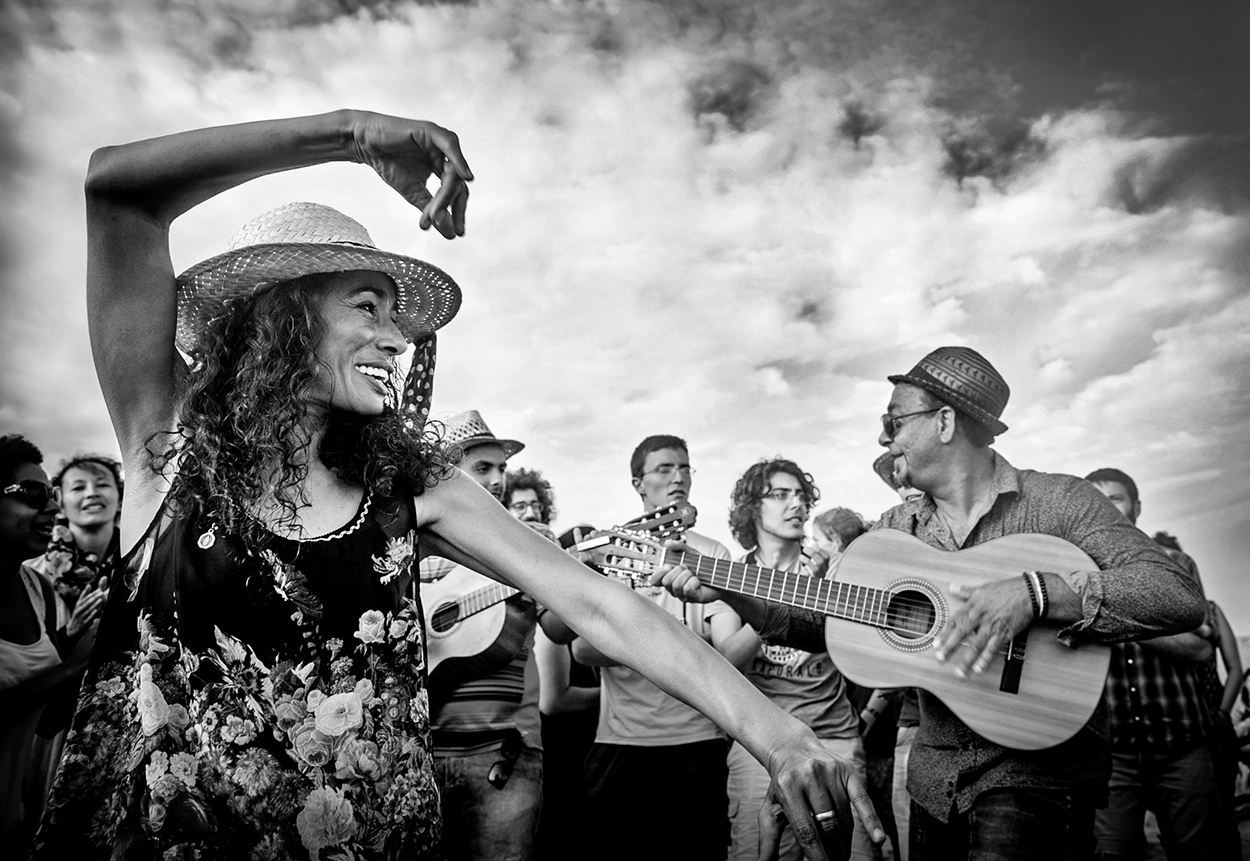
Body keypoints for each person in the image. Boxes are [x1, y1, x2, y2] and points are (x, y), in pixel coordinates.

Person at [33, 110, 876, 861]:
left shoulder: (408, 485)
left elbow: (599, 604)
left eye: (397, 315)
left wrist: (779, 732)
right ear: (281, 308)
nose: (395, 337)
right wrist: (352, 134)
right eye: (368, 305)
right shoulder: (163, 443)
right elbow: (118, 192)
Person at [654, 346, 1207, 860]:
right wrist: (730, 585)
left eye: (894, 422)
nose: (883, 440)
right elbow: (826, 623)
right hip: (935, 780)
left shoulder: (1058, 502)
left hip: (1038, 777)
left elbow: (1176, 595)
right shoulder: (896, 529)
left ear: (945, 421)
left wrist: (1039, 593)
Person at [570, 435, 738, 861]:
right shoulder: (611, 551)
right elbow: (582, 650)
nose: (678, 477)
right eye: (665, 469)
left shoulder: (714, 553)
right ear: (637, 483)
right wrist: (671, 648)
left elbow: (728, 652)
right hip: (620, 742)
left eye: (685, 468)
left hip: (698, 739)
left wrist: (636, 643)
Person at [717, 458, 874, 861]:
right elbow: (726, 659)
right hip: (761, 746)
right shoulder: (734, 574)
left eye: (801, 495)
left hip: (834, 739)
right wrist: (779, 608)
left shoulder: (836, 569)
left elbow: (862, 649)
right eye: (781, 494)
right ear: (753, 506)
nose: (796, 505)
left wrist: (817, 589)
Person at [1085, 467, 1233, 860]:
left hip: (1182, 742)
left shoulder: (1176, 564)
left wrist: (1114, 615)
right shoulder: (1076, 571)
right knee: (1113, 855)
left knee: (1201, 853)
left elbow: (1201, 648)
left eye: (1115, 498)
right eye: (1096, 499)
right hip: (1111, 753)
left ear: (1136, 506)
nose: (1107, 507)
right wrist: (1155, 619)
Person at [419, 410, 545, 861]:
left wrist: (578, 582)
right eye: (483, 468)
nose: (497, 480)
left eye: (502, 469)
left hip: (504, 755)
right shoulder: (414, 545)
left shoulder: (531, 540)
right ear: (449, 474)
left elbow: (563, 631)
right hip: (420, 753)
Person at [0, 434, 97, 856]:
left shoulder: (37, 589)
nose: (54, 508)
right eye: (34, 494)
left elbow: (47, 721)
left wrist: (90, 649)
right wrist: (71, 667)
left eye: (53, 494)